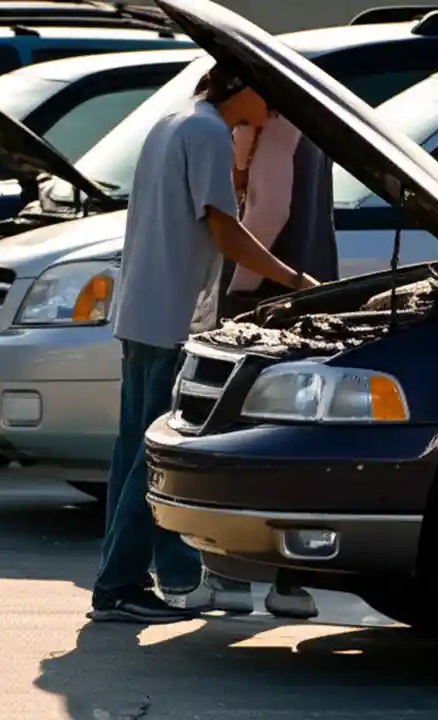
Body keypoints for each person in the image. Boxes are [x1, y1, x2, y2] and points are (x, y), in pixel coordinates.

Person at [90, 64, 320, 624]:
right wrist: (292, 280)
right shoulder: (208, 132)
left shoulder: (174, 121)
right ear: (239, 88)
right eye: (270, 95)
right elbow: (224, 228)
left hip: (142, 311)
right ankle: (118, 586)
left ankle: (144, 579)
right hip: (172, 317)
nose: (275, 109)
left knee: (132, 451)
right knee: (158, 459)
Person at [220, 112, 338, 319]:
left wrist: (236, 292)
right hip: (309, 278)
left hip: (266, 296)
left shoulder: (275, 117)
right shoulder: (310, 106)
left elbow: (269, 211)